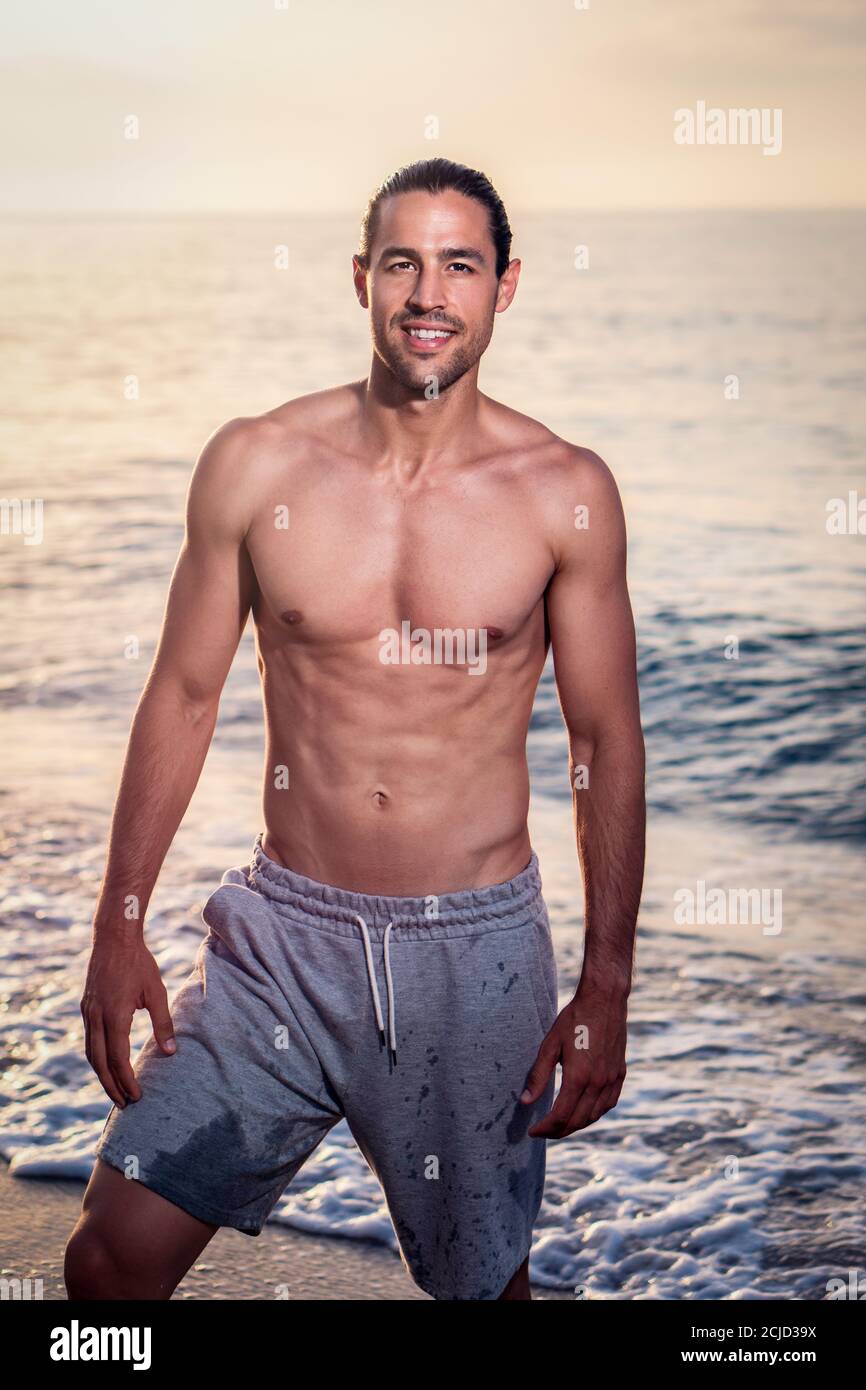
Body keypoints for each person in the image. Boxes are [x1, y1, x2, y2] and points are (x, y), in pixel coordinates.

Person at [64, 158, 645, 1302]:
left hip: (469, 958)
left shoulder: (561, 491)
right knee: (107, 1262)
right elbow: (182, 696)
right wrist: (117, 924)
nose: (428, 292)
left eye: (458, 265)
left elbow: (604, 743)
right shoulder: (256, 463)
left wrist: (606, 985)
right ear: (361, 278)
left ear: (504, 286)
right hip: (283, 936)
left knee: (483, 1294)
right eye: (402, 262)